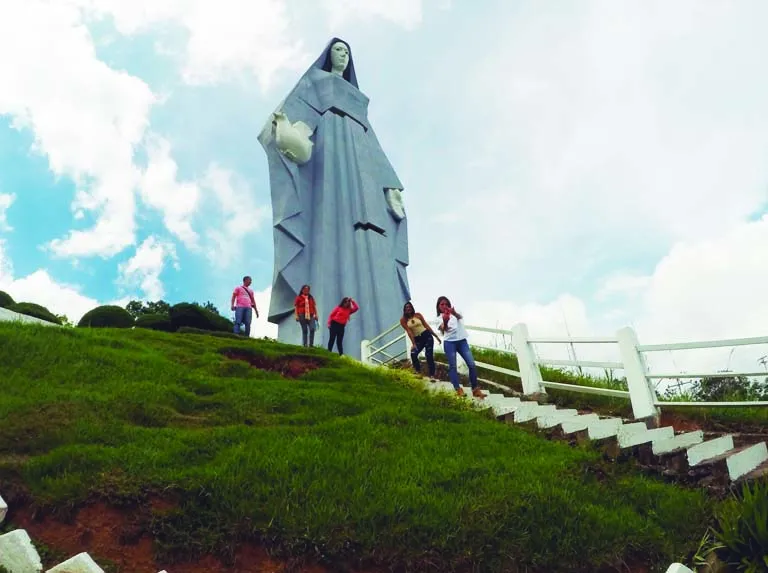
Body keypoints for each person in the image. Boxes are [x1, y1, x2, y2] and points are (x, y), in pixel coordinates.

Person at [257, 38, 410, 359]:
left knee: (374, 240)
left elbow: (375, 148)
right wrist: (287, 134)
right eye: (338, 50)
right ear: (328, 55)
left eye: (348, 52)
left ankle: (392, 349)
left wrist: (390, 186)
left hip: (362, 164)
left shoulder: (358, 105)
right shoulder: (316, 81)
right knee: (329, 227)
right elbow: (291, 120)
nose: (344, 55)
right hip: (331, 158)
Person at [434, 296, 485, 398]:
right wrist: (445, 320)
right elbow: (445, 329)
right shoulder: (438, 319)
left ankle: (475, 389)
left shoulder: (456, 311)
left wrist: (453, 313)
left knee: (471, 364)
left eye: (446, 304)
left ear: (449, 304)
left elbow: (460, 317)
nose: (444, 306)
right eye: (441, 304)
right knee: (453, 366)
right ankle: (458, 389)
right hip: (449, 343)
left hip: (462, 341)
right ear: (438, 307)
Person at [400, 301, 440, 380]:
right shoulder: (403, 320)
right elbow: (409, 332)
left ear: (412, 308)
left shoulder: (418, 315)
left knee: (428, 355)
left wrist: (436, 336)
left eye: (409, 307)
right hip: (417, 339)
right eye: (406, 307)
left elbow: (426, 326)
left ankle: (432, 375)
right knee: (413, 353)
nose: (408, 308)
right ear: (404, 310)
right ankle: (418, 372)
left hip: (427, 336)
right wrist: (413, 344)